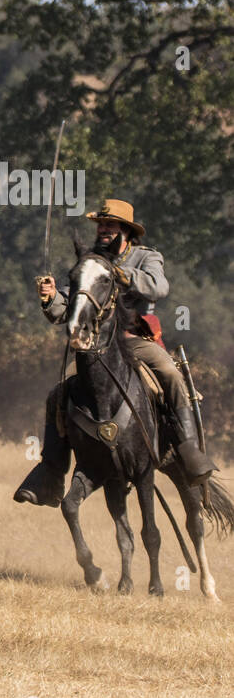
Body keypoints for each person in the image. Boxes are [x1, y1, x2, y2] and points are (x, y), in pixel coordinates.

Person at [14, 198, 216, 505]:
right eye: (101, 225)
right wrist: (51, 297)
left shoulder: (146, 257)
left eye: (110, 225)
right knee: (58, 395)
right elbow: (66, 310)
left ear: (126, 231)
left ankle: (188, 451)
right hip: (97, 347)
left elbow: (158, 287)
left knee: (171, 375)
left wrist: (124, 275)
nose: (104, 230)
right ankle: (51, 472)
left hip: (137, 341)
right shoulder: (91, 261)